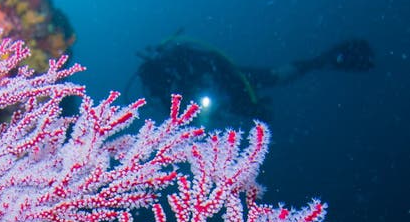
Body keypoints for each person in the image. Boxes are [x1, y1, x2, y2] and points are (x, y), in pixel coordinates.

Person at [131, 35, 375, 129]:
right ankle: (326, 60)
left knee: (277, 76)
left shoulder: (184, 61)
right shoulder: (159, 81)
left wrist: (249, 99)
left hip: (232, 80)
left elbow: (219, 67)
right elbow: (170, 112)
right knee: (275, 77)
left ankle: (329, 58)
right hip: (225, 93)